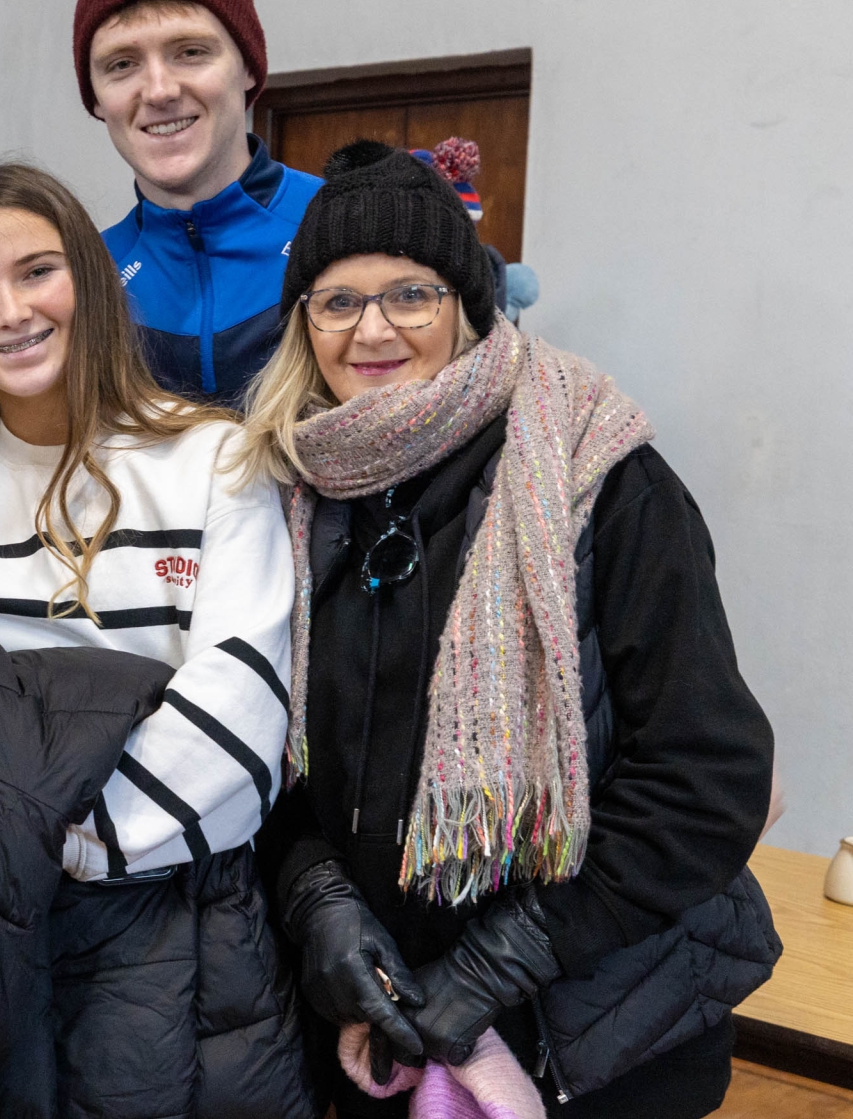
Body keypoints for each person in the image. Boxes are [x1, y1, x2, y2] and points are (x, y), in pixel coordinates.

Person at [240, 141, 779, 1117]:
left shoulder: (597, 477)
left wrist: (500, 962)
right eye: (338, 298)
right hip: (388, 1036)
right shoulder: (290, 502)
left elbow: (707, 779)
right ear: (301, 323)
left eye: (412, 291)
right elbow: (268, 763)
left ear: (467, 303)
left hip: (602, 1045)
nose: (374, 327)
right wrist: (315, 893)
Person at [0, 164, 313, 1115]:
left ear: (89, 275)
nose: (10, 311)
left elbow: (243, 722)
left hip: (183, 948)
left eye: (37, 271)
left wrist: (41, 843)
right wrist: (18, 843)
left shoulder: (218, 462)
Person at [73, 0, 323, 406]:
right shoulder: (84, 276)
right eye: (122, 64)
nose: (160, 90)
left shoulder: (344, 225)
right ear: (97, 99)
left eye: (190, 52)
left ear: (249, 67)